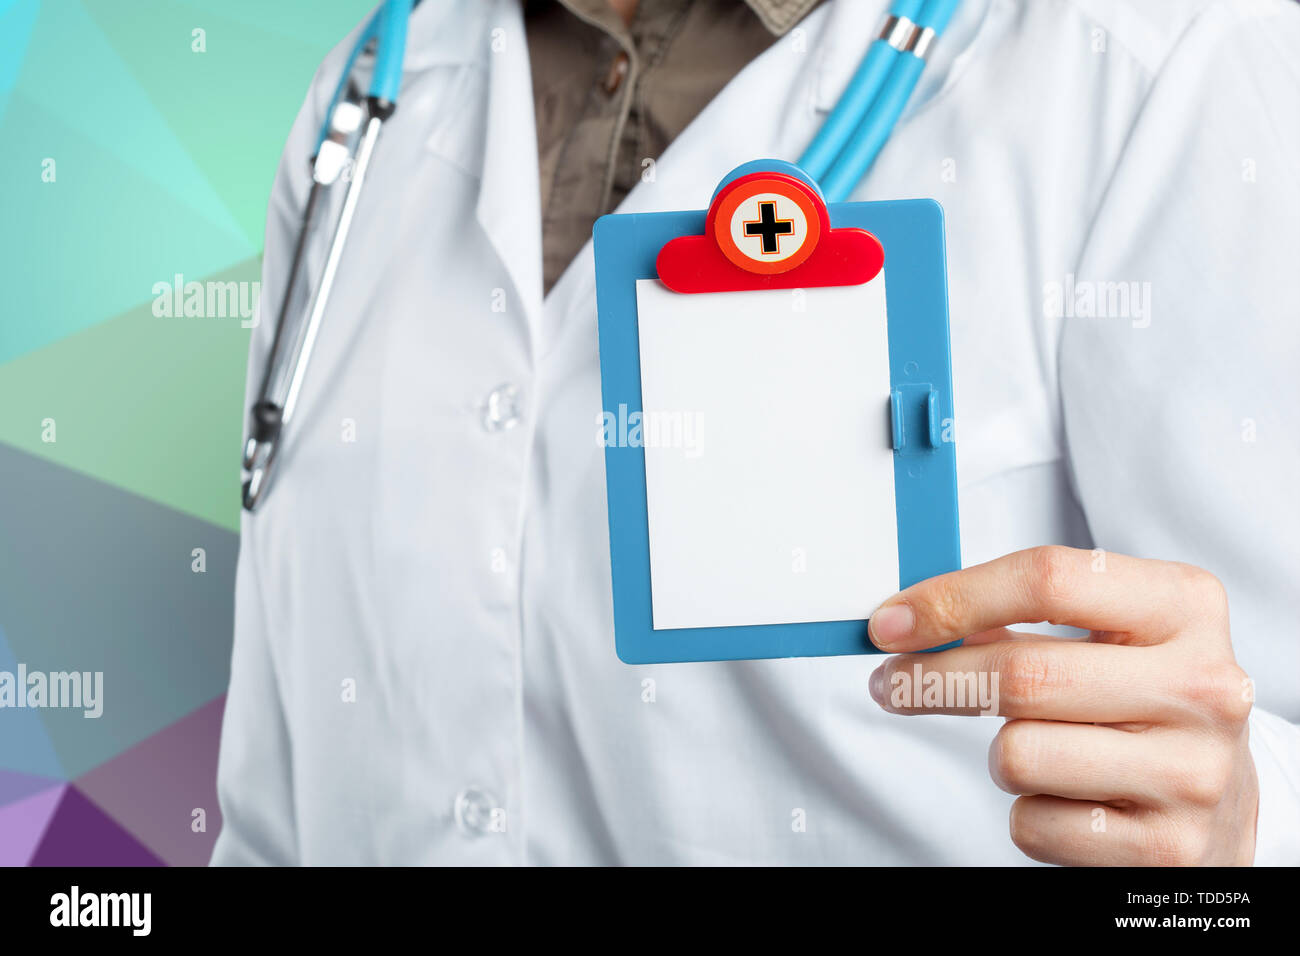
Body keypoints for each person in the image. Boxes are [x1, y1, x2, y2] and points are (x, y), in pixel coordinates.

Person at [211, 0, 1300, 865]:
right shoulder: (366, 97)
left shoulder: (1166, 52)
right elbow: (277, 802)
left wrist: (1246, 827)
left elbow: (1256, 740)